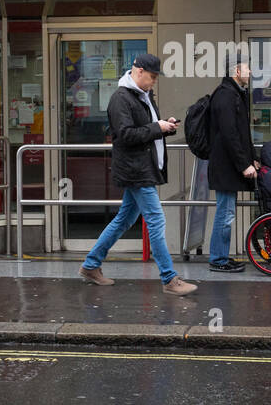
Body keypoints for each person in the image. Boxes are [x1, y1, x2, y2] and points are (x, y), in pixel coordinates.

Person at [79, 53, 196, 296]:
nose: (154, 81)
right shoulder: (121, 98)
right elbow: (125, 135)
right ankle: (169, 278)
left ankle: (91, 265)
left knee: (125, 219)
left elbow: (143, 129)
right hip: (136, 170)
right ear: (138, 71)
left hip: (140, 168)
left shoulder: (142, 95)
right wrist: (157, 128)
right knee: (156, 220)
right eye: (152, 77)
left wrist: (165, 126)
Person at [206, 53, 257, 272]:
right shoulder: (226, 96)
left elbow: (242, 133)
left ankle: (222, 256)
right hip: (226, 167)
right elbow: (229, 134)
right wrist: (244, 164)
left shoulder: (234, 94)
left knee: (227, 213)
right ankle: (218, 259)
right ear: (237, 71)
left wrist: (251, 158)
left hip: (228, 166)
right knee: (225, 214)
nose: (250, 72)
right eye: (247, 68)